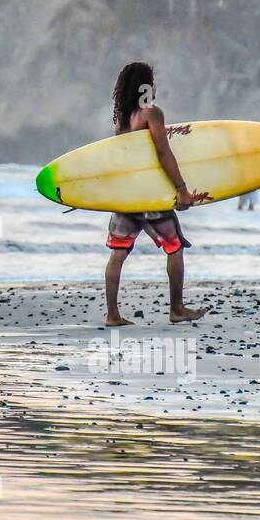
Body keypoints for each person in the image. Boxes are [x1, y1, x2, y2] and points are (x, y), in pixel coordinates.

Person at [103, 62, 208, 327]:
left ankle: (112, 314)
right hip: (148, 196)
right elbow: (163, 152)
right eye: (152, 81)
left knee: (118, 253)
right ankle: (177, 309)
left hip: (126, 197)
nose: (156, 86)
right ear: (145, 85)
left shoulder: (119, 118)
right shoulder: (151, 113)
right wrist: (182, 189)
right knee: (175, 248)